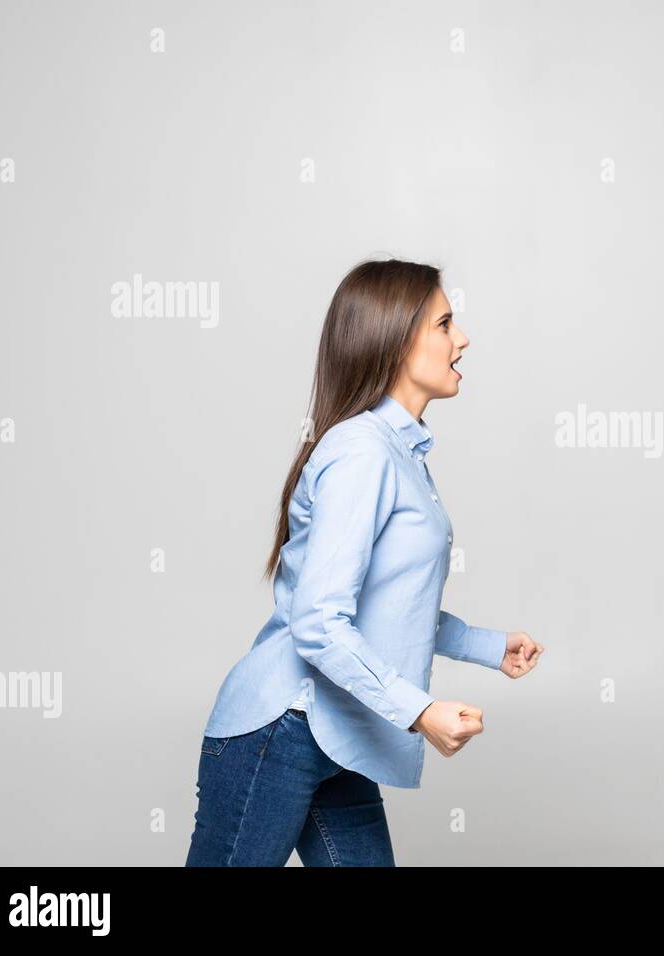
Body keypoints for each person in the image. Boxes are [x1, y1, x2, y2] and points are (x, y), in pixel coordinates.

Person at [185, 257, 543, 866]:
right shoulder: (362, 453)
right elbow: (320, 624)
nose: (463, 339)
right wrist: (422, 710)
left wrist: (489, 646)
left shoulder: (397, 452)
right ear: (398, 340)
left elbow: (389, 608)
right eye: (445, 323)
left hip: (341, 728)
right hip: (282, 727)